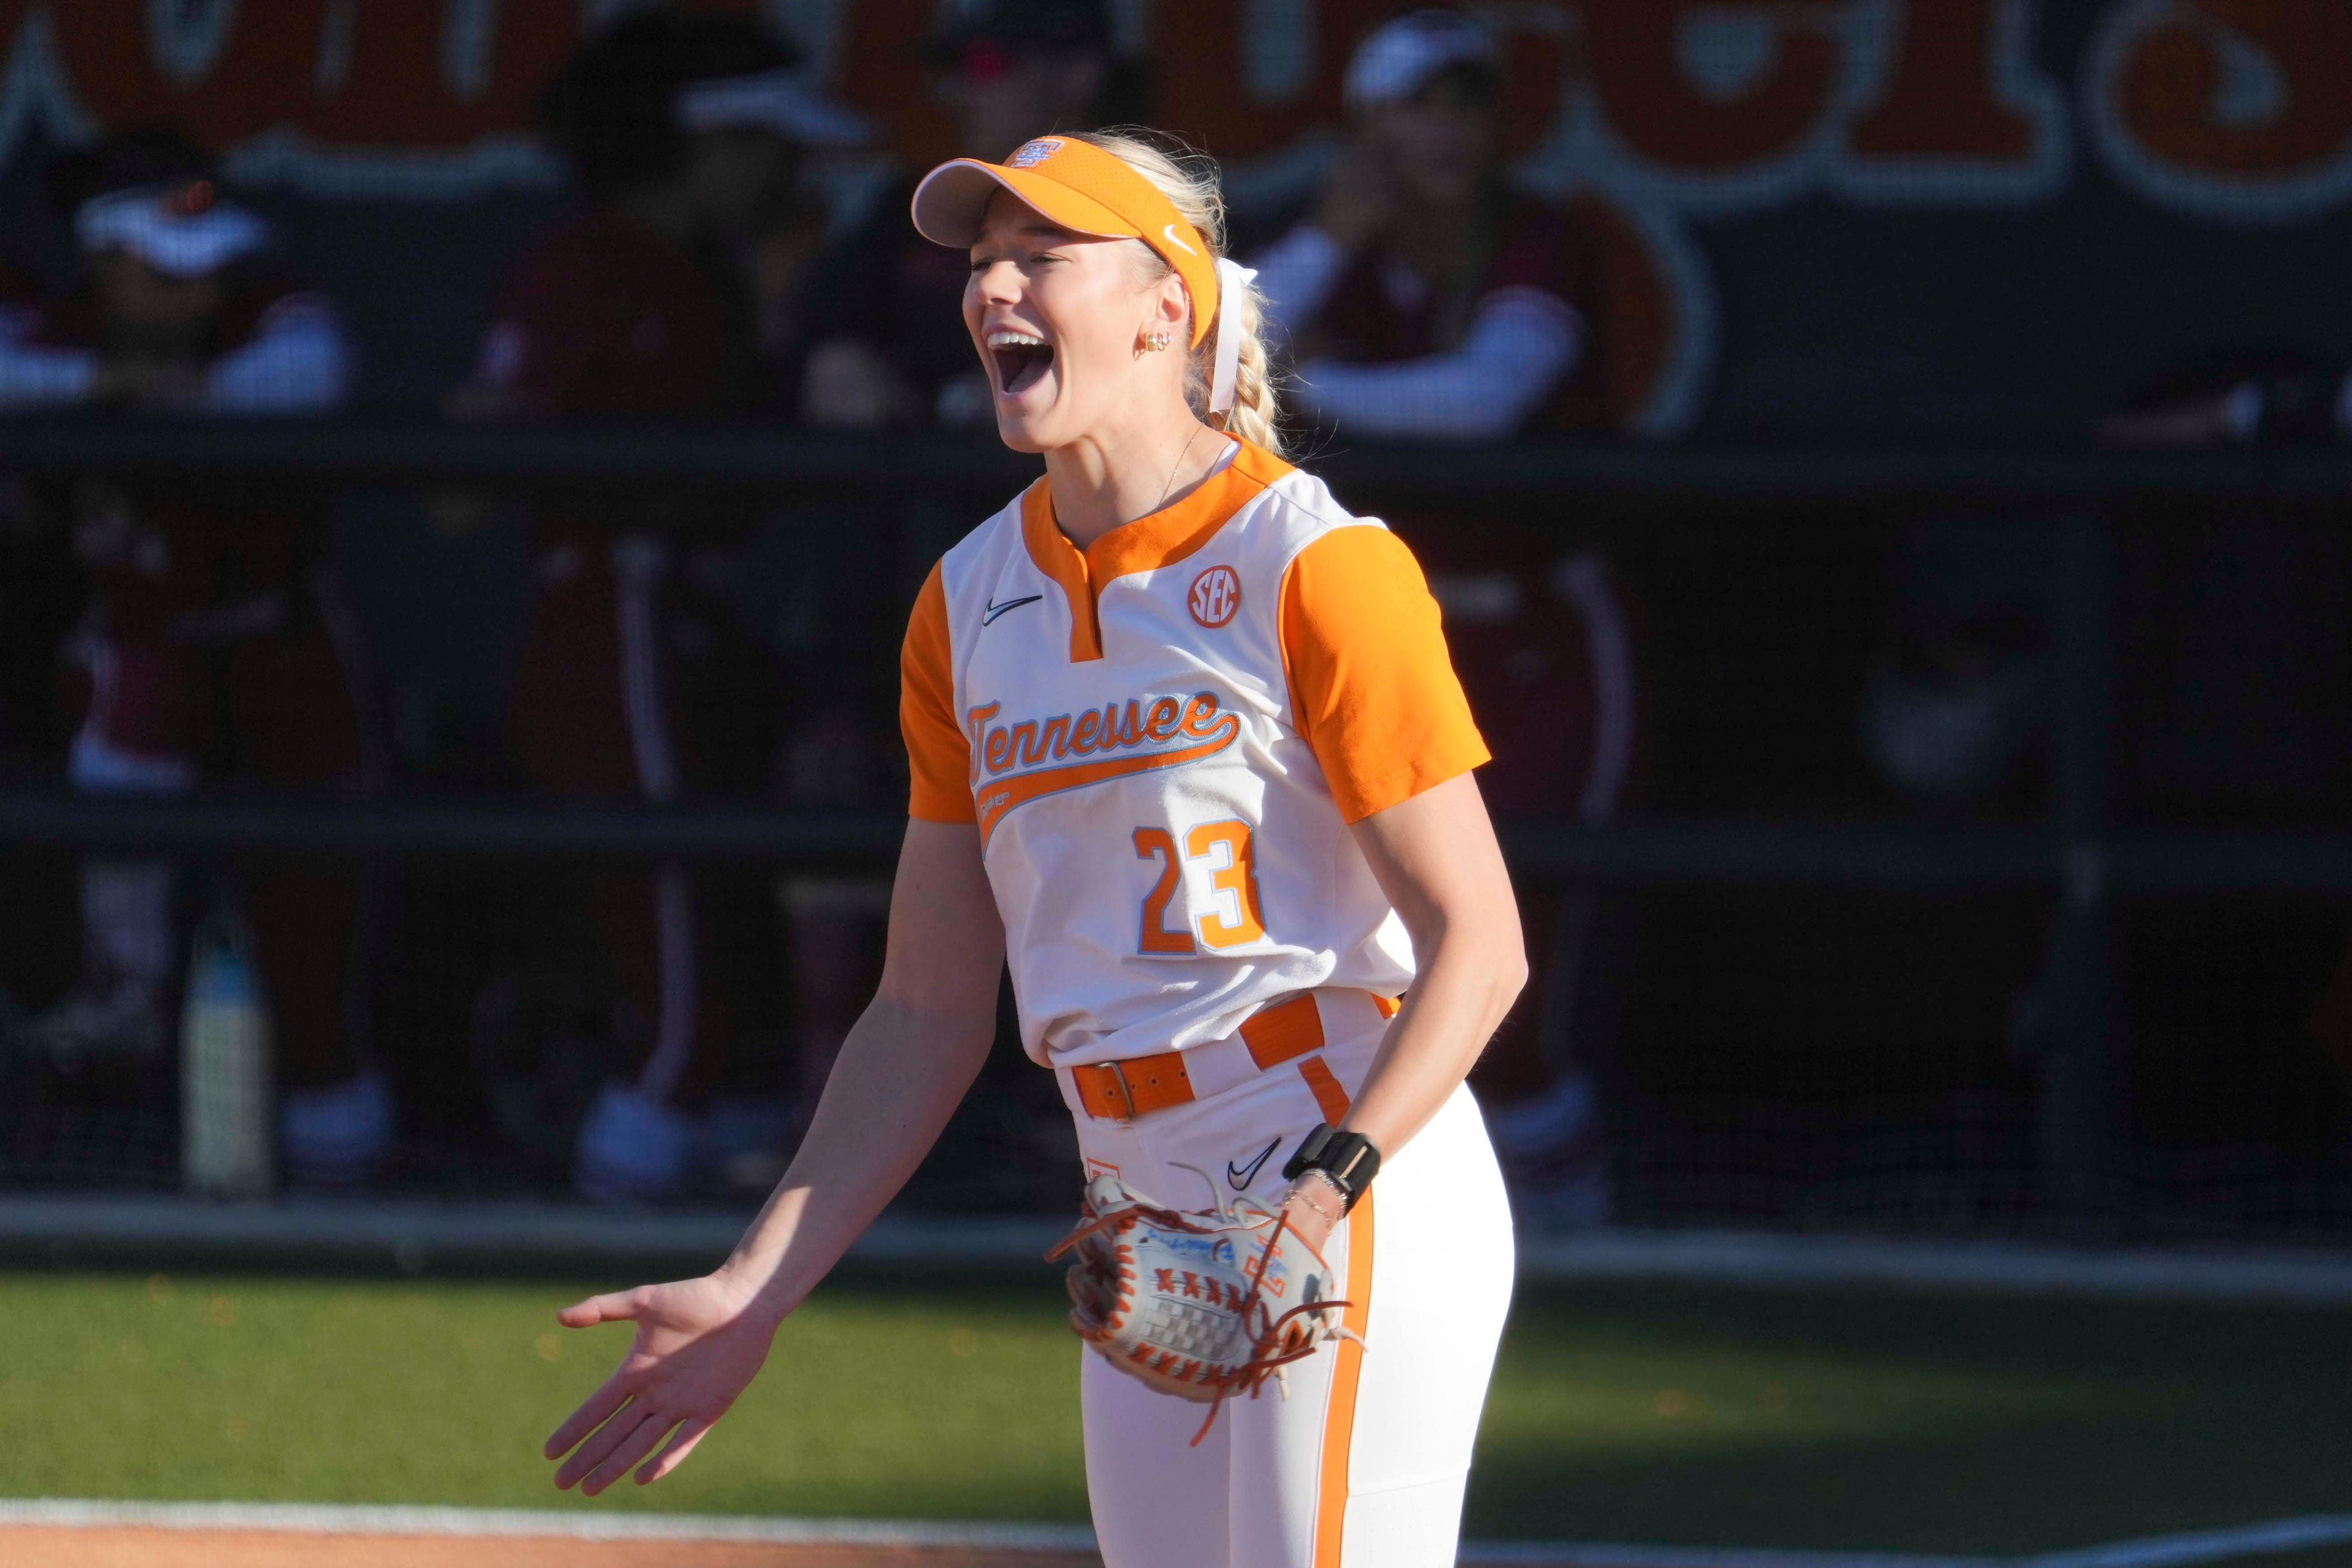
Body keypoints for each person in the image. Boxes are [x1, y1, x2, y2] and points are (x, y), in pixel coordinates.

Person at [542, 132, 1523, 1568]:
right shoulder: (968, 597)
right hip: (1133, 1199)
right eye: (979, 259)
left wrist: (1313, 1198)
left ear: (1162, 303)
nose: (993, 284)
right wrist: (755, 1285)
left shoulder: (1313, 564)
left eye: (1042, 256)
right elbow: (925, 1007)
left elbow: (1479, 945)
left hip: (1335, 1150)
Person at [453, 12, 868, 1202]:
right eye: (770, 146)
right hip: (608, 614)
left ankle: (671, 1202)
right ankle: (588, 1233)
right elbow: (457, 484)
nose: (791, 175)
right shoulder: (590, 262)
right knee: (676, 965)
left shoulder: (710, 279)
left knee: (722, 923)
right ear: (709, 145)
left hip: (694, 625)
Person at [1253, 8, 1637, 1229]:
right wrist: (1325, 238)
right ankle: (1413, 1223)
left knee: (1518, 956)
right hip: (1379, 654)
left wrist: (1303, 392)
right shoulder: (1338, 248)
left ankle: (1574, 1237)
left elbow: (1486, 399)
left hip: (1536, 636)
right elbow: (1211, 360)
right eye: (1419, 104)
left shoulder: (1542, 236)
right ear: (1370, 126)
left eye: (1468, 102)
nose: (1447, 130)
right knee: (1375, 950)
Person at [0, 125, 391, 1183]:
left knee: (311, 959)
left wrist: (163, 394)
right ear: (105, 259)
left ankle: (348, 1187)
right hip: (135, 658)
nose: (193, 291)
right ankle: (111, 1050)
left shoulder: (271, 309)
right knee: (129, 715)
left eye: (205, 266)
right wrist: (102, 381)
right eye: (160, 270)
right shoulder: (59, 323)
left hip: (281, 651)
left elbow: (310, 369)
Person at [796, 0, 1134, 429]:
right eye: (950, 68)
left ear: (1078, 73)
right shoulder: (913, 204)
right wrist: (840, 352)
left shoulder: (1151, 210)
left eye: (985, 63)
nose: (958, 91)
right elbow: (825, 313)